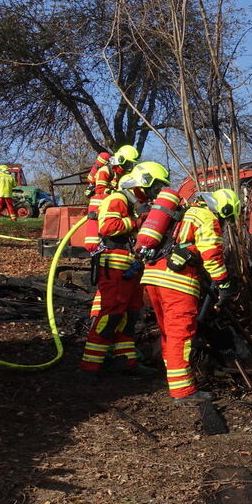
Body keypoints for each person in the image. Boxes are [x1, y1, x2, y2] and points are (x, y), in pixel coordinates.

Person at [140, 188, 240, 403]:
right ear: (224, 210)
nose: (224, 223)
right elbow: (211, 254)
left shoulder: (185, 212)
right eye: (226, 218)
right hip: (176, 283)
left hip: (153, 277)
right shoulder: (206, 216)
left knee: (168, 333)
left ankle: (173, 379)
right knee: (180, 335)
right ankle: (183, 391)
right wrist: (224, 284)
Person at [77, 161, 168, 380]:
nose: (156, 192)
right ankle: (89, 367)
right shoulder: (118, 199)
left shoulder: (137, 203)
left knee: (129, 315)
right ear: (144, 182)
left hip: (130, 266)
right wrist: (136, 222)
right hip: (115, 265)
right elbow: (107, 227)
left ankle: (126, 362)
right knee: (112, 314)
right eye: (155, 186)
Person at [83, 145, 139, 253]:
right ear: (120, 160)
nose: (129, 166)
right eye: (128, 163)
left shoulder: (121, 173)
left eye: (131, 163)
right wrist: (117, 193)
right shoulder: (105, 170)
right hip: (100, 204)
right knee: (97, 234)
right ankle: (97, 248)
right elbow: (100, 190)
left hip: (112, 205)